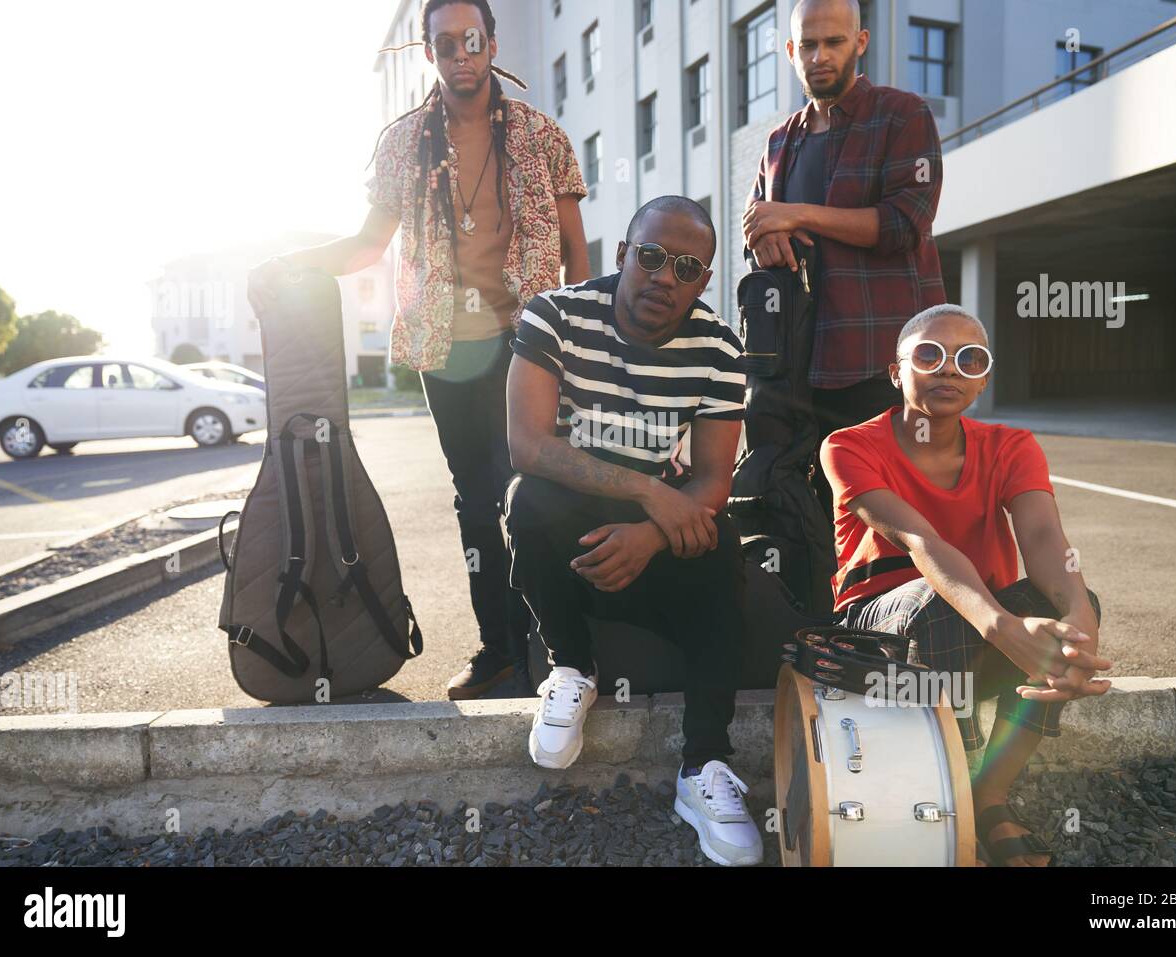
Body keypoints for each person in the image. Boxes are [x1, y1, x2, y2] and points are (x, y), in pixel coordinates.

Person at [247, 0, 589, 701]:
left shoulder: (540, 134)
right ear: (428, 53)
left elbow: (574, 245)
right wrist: (287, 263)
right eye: (445, 44)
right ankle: (498, 649)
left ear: (491, 43)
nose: (461, 54)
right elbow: (370, 246)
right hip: (446, 351)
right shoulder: (403, 143)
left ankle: (556, 650)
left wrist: (581, 336)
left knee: (536, 490)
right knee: (475, 502)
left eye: (472, 41)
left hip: (528, 343)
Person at [503, 196, 763, 867]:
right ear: (622, 255)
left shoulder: (719, 345)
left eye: (686, 267)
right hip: (576, 534)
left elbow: (710, 480)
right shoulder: (556, 314)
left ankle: (703, 766)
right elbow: (528, 445)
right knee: (528, 498)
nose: (664, 276)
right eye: (650, 256)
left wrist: (650, 532)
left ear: (703, 280)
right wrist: (650, 492)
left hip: (647, 543)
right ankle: (572, 666)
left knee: (719, 539)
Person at [821, 303, 1114, 867]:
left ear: (983, 379)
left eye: (968, 358)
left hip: (971, 622)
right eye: (929, 354)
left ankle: (989, 797)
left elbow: (1046, 538)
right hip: (877, 628)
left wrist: (1079, 617)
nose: (949, 369)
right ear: (896, 371)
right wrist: (1003, 626)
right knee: (942, 604)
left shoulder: (1010, 445)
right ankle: (947, 806)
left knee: (1069, 607)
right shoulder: (849, 445)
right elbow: (921, 542)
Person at [743, 0, 946, 513]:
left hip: (879, 364)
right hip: (796, 367)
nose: (820, 56)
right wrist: (763, 237)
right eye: (808, 45)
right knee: (806, 518)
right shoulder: (777, 142)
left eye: (834, 42)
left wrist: (797, 215)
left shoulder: (903, 115)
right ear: (791, 51)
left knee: (893, 521)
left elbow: (905, 224)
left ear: (860, 42)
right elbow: (759, 221)